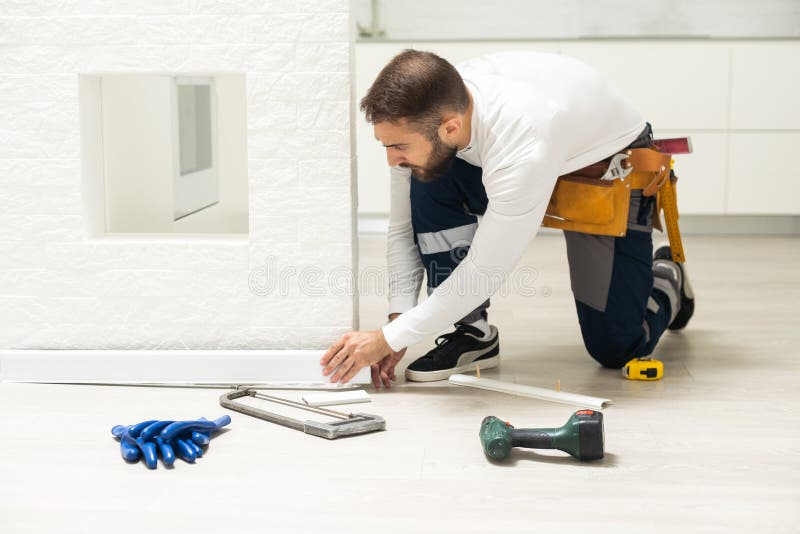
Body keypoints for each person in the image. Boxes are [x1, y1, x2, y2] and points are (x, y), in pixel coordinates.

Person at [320, 49, 694, 388]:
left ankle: (667, 278)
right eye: (386, 145)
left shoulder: (520, 144)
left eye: (398, 147)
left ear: (450, 126)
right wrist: (396, 323)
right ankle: (474, 334)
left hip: (603, 166)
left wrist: (386, 340)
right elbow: (403, 229)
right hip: (534, 146)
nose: (391, 160)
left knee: (617, 347)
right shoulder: (431, 109)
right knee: (429, 174)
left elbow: (484, 270)